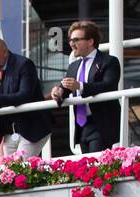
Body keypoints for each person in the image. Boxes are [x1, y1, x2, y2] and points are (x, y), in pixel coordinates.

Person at [49, 20, 122, 153]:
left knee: (96, 168)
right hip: (82, 126)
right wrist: (58, 92)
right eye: (71, 40)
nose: (72, 44)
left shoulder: (109, 61)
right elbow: (65, 89)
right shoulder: (73, 66)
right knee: (86, 169)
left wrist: (81, 86)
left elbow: (108, 86)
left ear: (90, 41)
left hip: (100, 123)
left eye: (76, 40)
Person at [0, 37, 49, 157]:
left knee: (20, 170)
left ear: (4, 52)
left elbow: (24, 96)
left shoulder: (24, 64)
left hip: (32, 128)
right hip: (8, 132)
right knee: (11, 173)